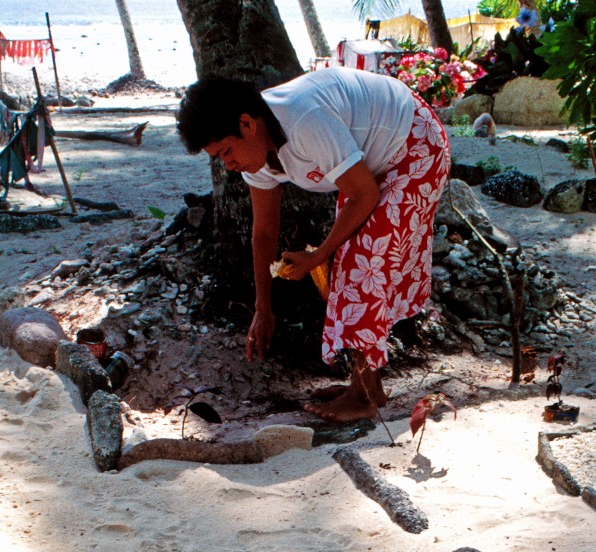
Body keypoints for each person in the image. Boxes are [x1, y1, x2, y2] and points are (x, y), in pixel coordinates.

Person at [176, 67, 450, 421]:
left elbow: (364, 194)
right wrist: (263, 306)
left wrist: (317, 256)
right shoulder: (255, 156)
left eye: (227, 151)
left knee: (360, 266)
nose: (228, 165)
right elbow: (263, 233)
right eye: (219, 158)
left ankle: (363, 397)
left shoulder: (304, 119)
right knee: (350, 266)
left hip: (415, 146)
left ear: (247, 124)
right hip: (373, 163)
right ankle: (368, 386)